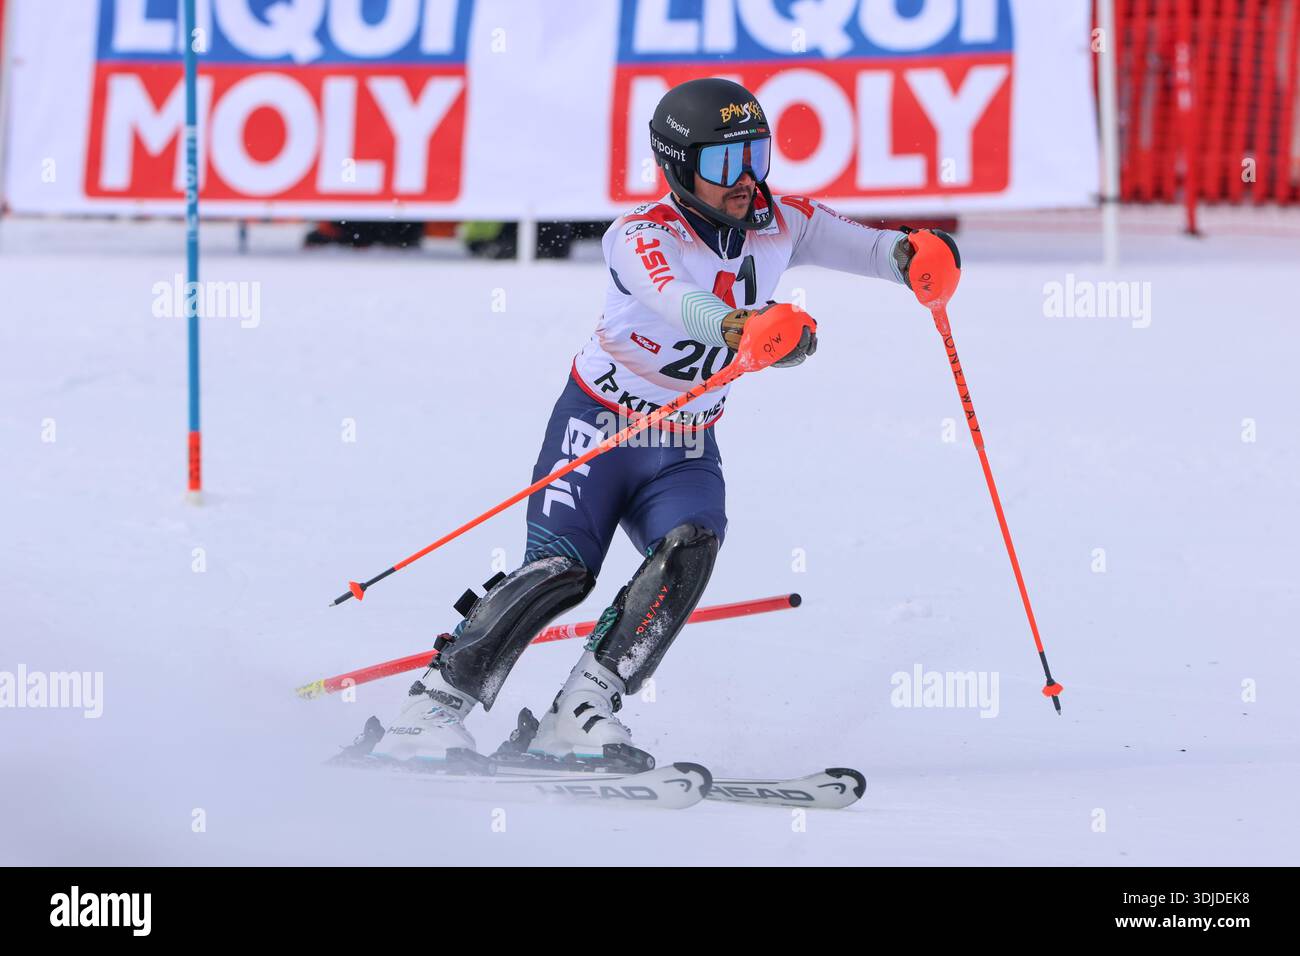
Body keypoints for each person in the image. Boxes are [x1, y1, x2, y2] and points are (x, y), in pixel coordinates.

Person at [362, 77, 959, 770]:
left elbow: (871, 248)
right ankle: (431, 709)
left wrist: (919, 256)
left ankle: (580, 712)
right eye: (722, 164)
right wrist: (743, 327)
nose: (745, 181)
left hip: (683, 443)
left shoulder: (780, 220)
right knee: (561, 571)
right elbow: (677, 300)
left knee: (690, 547)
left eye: (756, 155)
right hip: (599, 429)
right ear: (679, 166)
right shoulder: (639, 235)